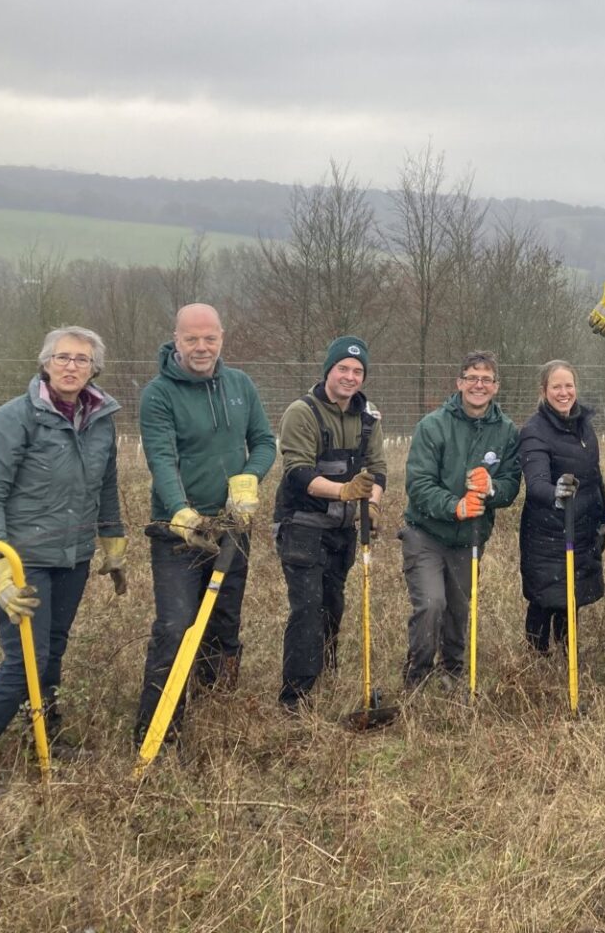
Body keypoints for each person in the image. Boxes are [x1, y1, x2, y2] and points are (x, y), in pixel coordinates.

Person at [0, 327, 125, 797]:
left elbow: (106, 484)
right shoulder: (15, 418)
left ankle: (44, 732)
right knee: (25, 660)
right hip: (24, 561)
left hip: (73, 557)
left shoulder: (101, 419)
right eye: (62, 357)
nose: (71, 366)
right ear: (45, 363)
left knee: (52, 652)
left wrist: (112, 538)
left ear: (94, 369)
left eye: (81, 360)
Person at [134, 303, 275, 748]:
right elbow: (162, 457)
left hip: (233, 525)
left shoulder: (240, 385)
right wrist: (180, 510)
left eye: (209, 338)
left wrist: (249, 477)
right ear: (176, 339)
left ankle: (217, 710)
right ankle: (157, 727)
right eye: (191, 338)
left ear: (221, 338)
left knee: (223, 623)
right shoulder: (159, 394)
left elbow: (265, 441)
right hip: (177, 531)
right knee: (176, 625)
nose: (201, 347)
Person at [272, 336, 389, 710]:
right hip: (302, 526)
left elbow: (378, 470)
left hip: (342, 530)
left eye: (358, 371)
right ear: (328, 370)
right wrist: (343, 492)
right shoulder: (301, 413)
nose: (350, 377)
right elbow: (297, 472)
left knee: (331, 606)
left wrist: (372, 506)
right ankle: (295, 698)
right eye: (343, 369)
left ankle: (326, 678)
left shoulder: (368, 419)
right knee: (307, 607)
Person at [401, 350, 522, 690]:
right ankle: (417, 675)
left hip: (470, 538)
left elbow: (512, 485)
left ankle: (452, 672)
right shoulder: (433, 426)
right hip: (426, 533)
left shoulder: (507, 431)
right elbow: (418, 484)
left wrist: (493, 488)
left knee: (458, 609)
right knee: (431, 604)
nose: (478, 385)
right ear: (459, 383)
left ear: (496, 386)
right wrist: (455, 506)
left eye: (486, 379)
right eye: (472, 378)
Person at [517, 361, 605, 655]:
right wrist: (556, 493)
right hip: (547, 532)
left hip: (582, 525)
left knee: (572, 594)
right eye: (556, 386)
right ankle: (537, 656)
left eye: (568, 385)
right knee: (546, 596)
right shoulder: (534, 430)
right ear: (543, 391)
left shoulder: (584, 425)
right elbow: (536, 482)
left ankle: (567, 652)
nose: (563, 392)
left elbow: (594, 476)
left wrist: (603, 517)